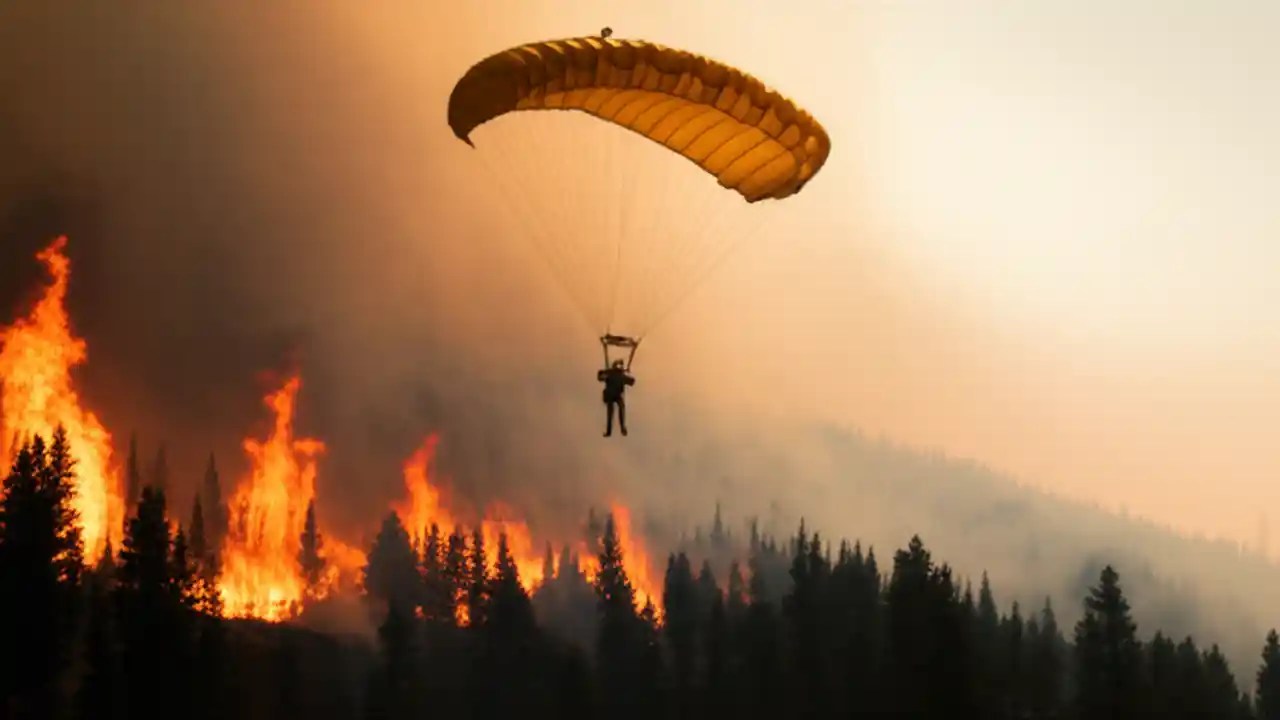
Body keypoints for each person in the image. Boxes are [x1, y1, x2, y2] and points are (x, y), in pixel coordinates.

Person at [597, 358, 635, 437]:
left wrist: (628, 374)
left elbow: (632, 381)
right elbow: (600, 377)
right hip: (610, 395)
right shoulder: (610, 373)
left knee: (621, 407)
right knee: (611, 412)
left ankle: (621, 428)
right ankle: (609, 431)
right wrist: (603, 373)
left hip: (616, 395)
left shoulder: (620, 375)